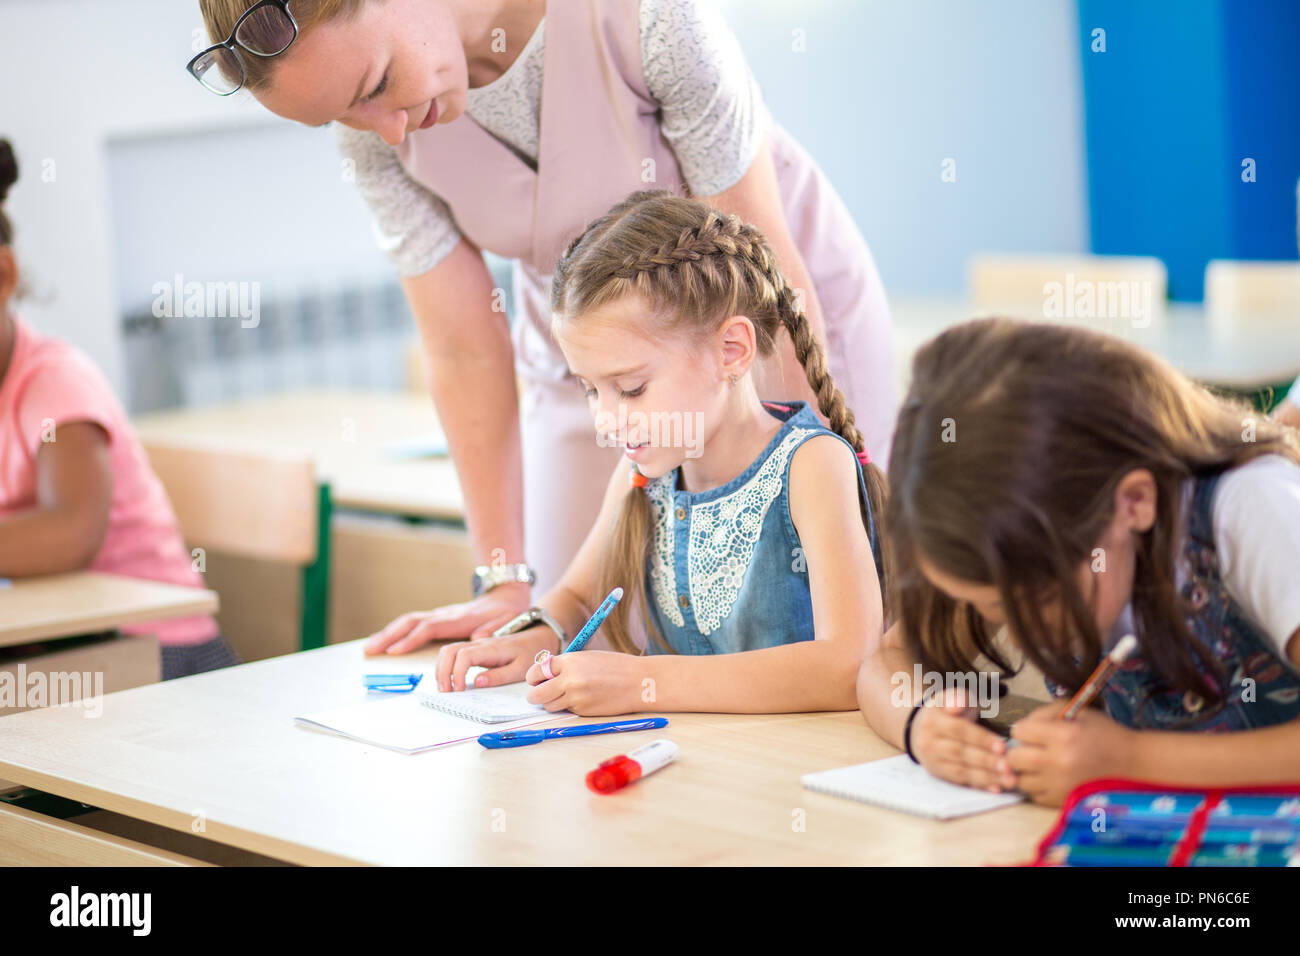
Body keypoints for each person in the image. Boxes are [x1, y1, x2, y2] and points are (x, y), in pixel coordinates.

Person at [191, 0, 895, 650]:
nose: (388, 129)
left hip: (764, 316)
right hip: (586, 357)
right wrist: (502, 580)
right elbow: (465, 350)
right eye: (342, 117)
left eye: (375, 84)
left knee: (794, 611)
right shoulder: (375, 133)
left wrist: (783, 483)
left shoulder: (653, 18)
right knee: (569, 632)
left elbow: (765, 286)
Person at [432, 191, 885, 716]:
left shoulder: (811, 466)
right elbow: (577, 597)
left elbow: (849, 665)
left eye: (630, 388)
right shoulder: (643, 473)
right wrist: (532, 634)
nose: (605, 420)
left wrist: (642, 683)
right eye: (589, 389)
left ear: (730, 351)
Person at [859, 317, 1300, 805]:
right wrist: (921, 727)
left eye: (1039, 599)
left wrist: (1131, 761)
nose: (1025, 636)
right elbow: (883, 662)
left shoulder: (1249, 507)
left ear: (1133, 502)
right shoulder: (991, 518)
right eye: (995, 611)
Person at [0, 140, 237, 680]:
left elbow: (69, 535)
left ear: (3, 276)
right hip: (58, 639)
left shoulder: (54, 382)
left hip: (157, 652)